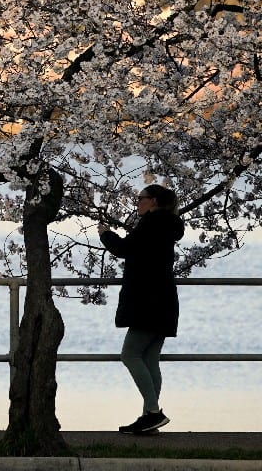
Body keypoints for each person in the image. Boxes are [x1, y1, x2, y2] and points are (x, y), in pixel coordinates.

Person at [100, 183, 184, 435]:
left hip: (149, 301)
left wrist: (106, 234)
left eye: (141, 198)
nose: (137, 202)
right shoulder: (168, 225)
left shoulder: (152, 223)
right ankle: (149, 417)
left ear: (154, 201)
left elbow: (125, 249)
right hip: (164, 300)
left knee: (130, 354)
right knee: (149, 359)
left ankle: (154, 412)